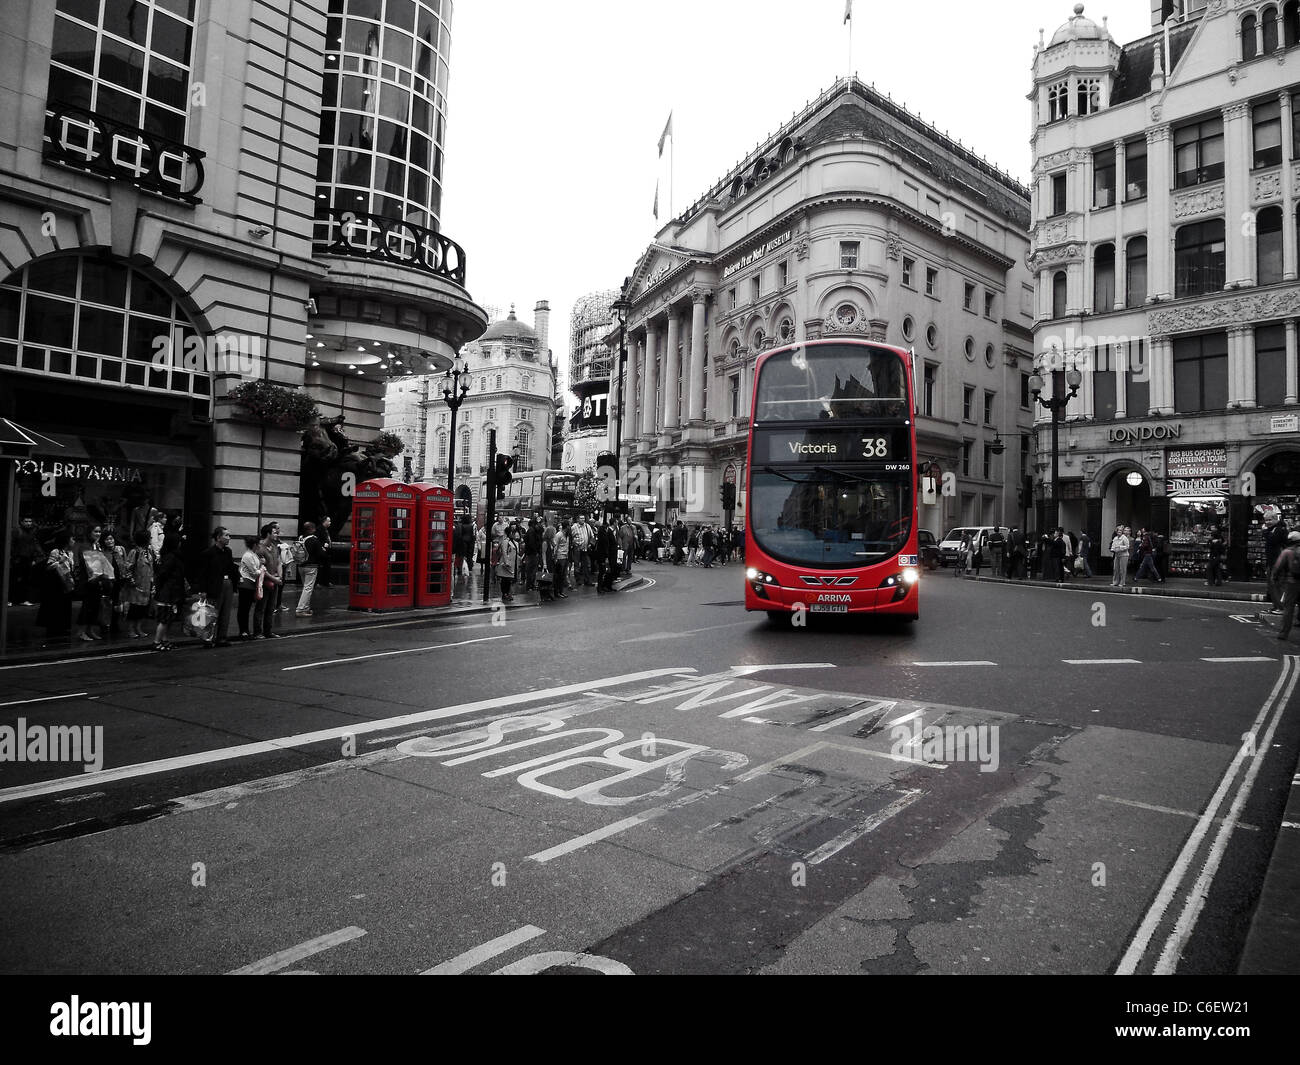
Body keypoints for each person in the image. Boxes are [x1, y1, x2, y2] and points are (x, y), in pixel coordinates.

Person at [196, 526, 239, 646]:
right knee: (211, 612)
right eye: (226, 535)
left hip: (227, 583)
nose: (229, 538)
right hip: (214, 585)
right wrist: (202, 589)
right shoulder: (208, 553)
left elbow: (230, 567)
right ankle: (208, 639)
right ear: (218, 537)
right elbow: (203, 573)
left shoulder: (228, 551)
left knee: (225, 613)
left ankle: (222, 637)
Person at [75, 524, 115, 642]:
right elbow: (88, 563)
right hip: (89, 581)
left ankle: (90, 630)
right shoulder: (85, 546)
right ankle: (81, 632)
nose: (98, 534)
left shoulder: (96, 546)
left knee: (95, 606)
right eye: (95, 532)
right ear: (89, 533)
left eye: (99, 532)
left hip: (98, 581)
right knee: (87, 606)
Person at [36, 530, 76, 645]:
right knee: (55, 606)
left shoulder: (71, 553)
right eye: (72, 539)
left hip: (67, 583)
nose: (73, 541)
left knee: (65, 606)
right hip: (56, 583)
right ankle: (53, 630)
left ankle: (63, 628)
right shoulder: (56, 551)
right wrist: (59, 561)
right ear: (66, 540)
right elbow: (48, 567)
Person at [152, 533, 186, 651]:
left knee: (170, 619)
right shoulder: (171, 557)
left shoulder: (173, 556)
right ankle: (156, 641)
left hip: (173, 592)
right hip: (167, 593)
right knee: (164, 619)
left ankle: (165, 640)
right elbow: (162, 575)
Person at [121, 530, 155, 639]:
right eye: (149, 537)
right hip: (136, 586)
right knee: (134, 609)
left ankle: (139, 628)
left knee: (143, 609)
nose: (151, 539)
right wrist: (131, 581)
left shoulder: (149, 551)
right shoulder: (134, 552)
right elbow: (127, 568)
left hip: (146, 585)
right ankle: (131, 629)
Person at [256, 522, 284, 638]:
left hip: (274, 580)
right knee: (261, 607)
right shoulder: (260, 549)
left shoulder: (274, 547)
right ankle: (257, 631)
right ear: (268, 534)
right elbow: (261, 568)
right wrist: (275, 578)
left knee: (271, 607)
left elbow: (278, 562)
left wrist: (279, 576)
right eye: (274, 532)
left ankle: (268, 631)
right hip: (264, 581)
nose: (276, 534)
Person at [8, 516, 43, 606]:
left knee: (26, 580)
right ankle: (10, 599)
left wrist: (36, 558)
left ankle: (23, 599)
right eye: (26, 521)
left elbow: (34, 545)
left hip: (28, 558)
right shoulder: (17, 531)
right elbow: (11, 544)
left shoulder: (32, 532)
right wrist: (12, 557)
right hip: (18, 558)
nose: (28, 523)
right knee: (14, 580)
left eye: (30, 521)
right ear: (22, 522)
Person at [1272, 531, 1300, 640]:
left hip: (1292, 582)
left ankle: (1284, 632)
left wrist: (1274, 578)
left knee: (1289, 607)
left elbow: (1278, 566)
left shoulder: (1287, 552)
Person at [237, 536, 265, 639]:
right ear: (254, 545)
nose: (259, 546)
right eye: (258, 544)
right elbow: (254, 572)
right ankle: (243, 631)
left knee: (247, 608)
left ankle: (246, 630)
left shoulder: (253, 555)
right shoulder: (248, 555)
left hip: (250, 584)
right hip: (246, 583)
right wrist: (262, 569)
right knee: (243, 609)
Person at [296, 521, 326, 616]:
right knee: (308, 588)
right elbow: (321, 554)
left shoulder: (301, 538)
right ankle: (300, 609)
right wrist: (323, 550)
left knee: (306, 587)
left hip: (301, 566)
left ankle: (306, 607)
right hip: (311, 567)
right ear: (312, 529)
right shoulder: (314, 540)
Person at [102, 531, 128, 637]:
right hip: (108, 581)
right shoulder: (102, 552)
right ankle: (105, 625)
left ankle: (115, 624)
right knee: (107, 603)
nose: (110, 541)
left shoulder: (120, 549)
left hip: (119, 580)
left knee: (118, 604)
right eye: (107, 539)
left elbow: (125, 563)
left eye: (111, 539)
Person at [1265, 512, 1290, 612]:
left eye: (1270, 519)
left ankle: (1281, 608)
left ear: (1276, 518)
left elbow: (1273, 540)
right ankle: (1276, 606)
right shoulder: (1273, 529)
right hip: (1272, 562)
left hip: (1278, 562)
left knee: (1278, 585)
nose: (1267, 522)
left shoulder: (1279, 529)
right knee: (1272, 586)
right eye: (1266, 520)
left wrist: (1265, 532)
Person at [496, 525, 519, 602]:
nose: (514, 534)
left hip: (513, 563)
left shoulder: (515, 542)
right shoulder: (506, 541)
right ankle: (505, 594)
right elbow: (504, 552)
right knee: (505, 579)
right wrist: (506, 562)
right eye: (513, 533)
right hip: (506, 564)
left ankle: (508, 593)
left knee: (510, 580)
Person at [596, 517, 619, 593]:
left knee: (610, 571)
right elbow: (606, 546)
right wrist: (606, 557)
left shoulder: (612, 531)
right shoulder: (606, 534)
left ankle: (608, 586)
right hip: (606, 556)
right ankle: (602, 587)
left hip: (611, 555)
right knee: (603, 572)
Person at [570, 513, 594, 587]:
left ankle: (587, 580)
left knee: (586, 565)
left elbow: (591, 536)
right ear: (577, 519)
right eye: (581, 518)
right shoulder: (574, 527)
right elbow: (571, 537)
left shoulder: (587, 526)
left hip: (585, 548)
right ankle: (578, 580)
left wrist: (590, 543)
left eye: (583, 518)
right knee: (577, 565)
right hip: (577, 549)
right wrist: (576, 543)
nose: (582, 520)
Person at [317, 516, 334, 587]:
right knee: (320, 567)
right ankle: (318, 582)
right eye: (329, 521)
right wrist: (322, 545)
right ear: (325, 521)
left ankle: (326, 582)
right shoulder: (319, 529)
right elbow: (316, 540)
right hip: (321, 552)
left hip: (327, 552)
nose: (330, 522)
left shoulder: (326, 529)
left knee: (327, 567)